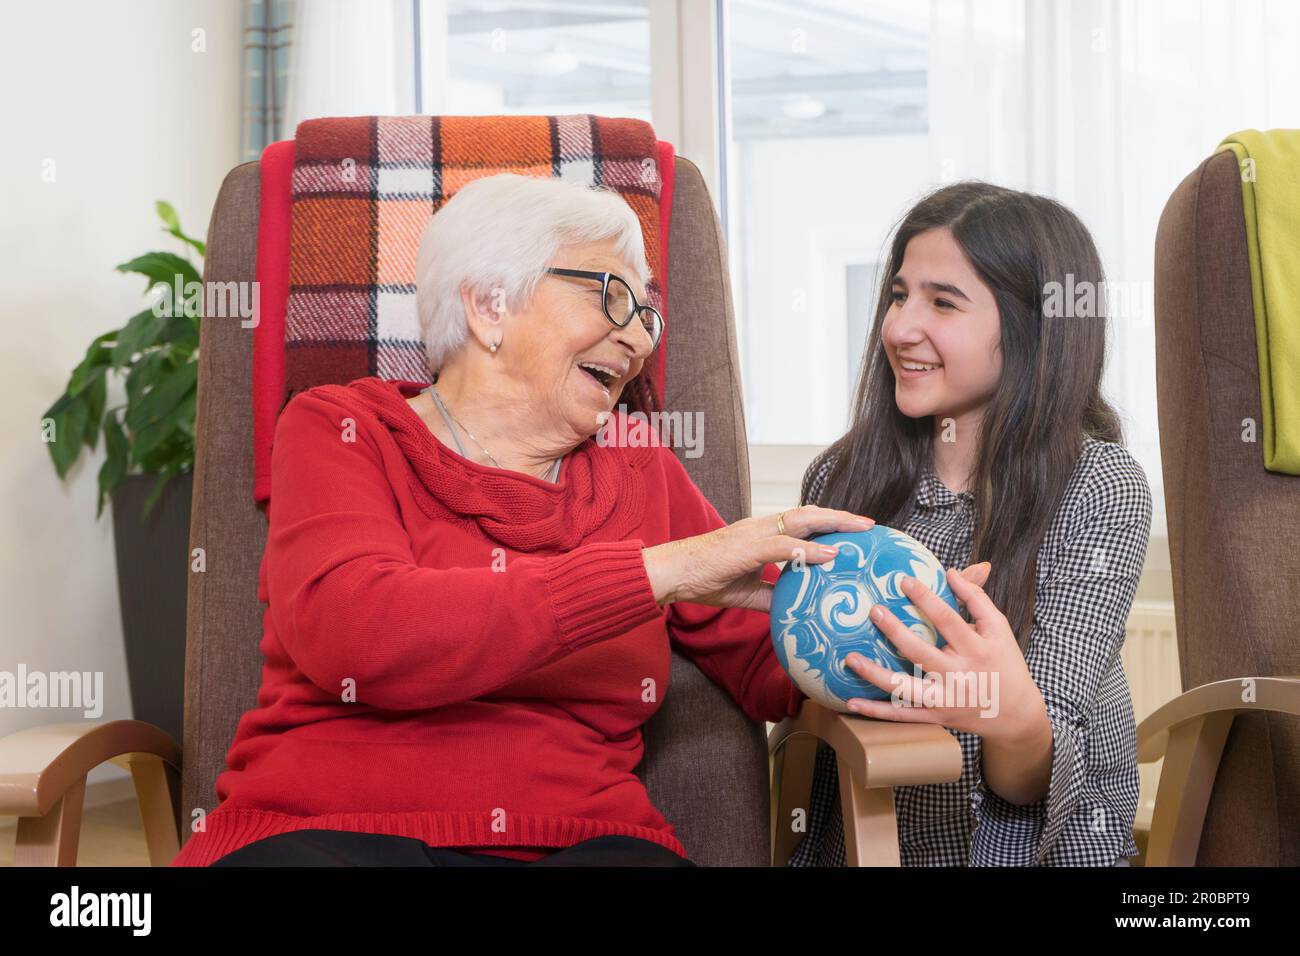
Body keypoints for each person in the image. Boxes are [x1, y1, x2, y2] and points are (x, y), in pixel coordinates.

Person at [170, 172, 892, 867]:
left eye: (646, 315)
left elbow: (777, 662)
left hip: (581, 842)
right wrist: (660, 571)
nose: (640, 341)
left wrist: (899, 638)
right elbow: (357, 632)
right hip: (326, 832)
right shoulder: (344, 429)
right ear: (489, 303)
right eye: (613, 298)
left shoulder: (639, 468)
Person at [785, 182, 1151, 867]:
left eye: (942, 303)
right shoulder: (841, 480)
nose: (898, 328)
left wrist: (1006, 712)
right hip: (869, 848)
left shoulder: (1100, 487)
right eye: (899, 295)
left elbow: (1028, 777)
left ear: (1031, 327)